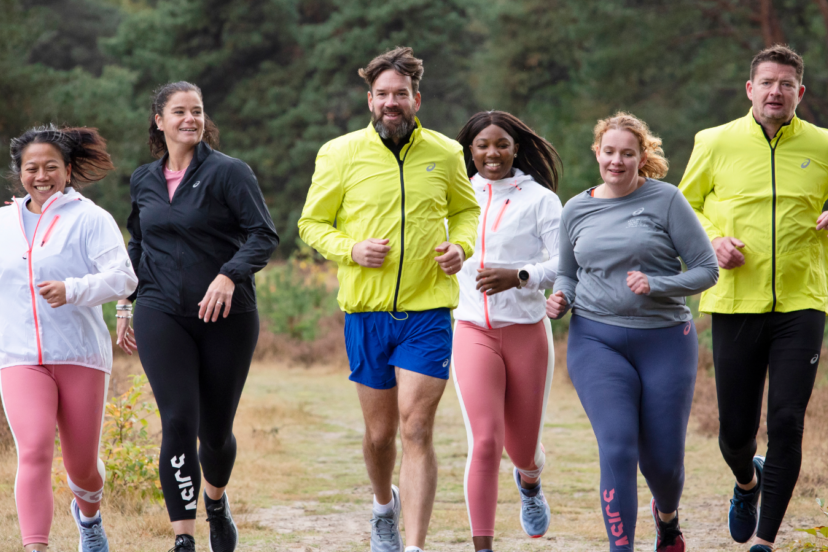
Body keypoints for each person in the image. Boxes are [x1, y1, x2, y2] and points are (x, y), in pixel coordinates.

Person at [678, 45, 828, 552]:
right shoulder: (715, 141)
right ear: (750, 89)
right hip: (734, 302)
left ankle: (764, 542)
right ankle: (747, 482)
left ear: (800, 93)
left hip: (802, 302)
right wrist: (713, 241)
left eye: (786, 84)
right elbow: (683, 207)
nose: (776, 91)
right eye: (767, 82)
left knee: (787, 419)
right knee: (734, 433)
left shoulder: (825, 143)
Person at [298, 47, 480, 552]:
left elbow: (467, 212)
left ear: (416, 98)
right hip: (367, 314)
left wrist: (459, 246)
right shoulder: (339, 153)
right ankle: (384, 506)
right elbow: (311, 224)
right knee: (380, 435)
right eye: (383, 94)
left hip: (428, 312)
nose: (391, 102)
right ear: (370, 100)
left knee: (416, 428)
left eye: (401, 94)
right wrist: (350, 248)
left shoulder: (444, 152)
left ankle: (416, 545)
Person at [118, 81, 279, 552]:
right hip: (160, 310)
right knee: (178, 421)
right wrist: (127, 302)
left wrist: (229, 274)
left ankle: (216, 500)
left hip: (226, 315)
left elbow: (262, 235)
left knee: (214, 431)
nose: (191, 119)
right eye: (180, 111)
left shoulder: (230, 173)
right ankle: (183, 538)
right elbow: (137, 245)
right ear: (159, 120)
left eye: (198, 111)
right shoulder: (143, 179)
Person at [547, 113, 719, 552]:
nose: (617, 161)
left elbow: (707, 270)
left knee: (662, 463)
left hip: (664, 341)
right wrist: (561, 299)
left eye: (627, 153)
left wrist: (657, 284)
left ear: (642, 158)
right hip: (596, 341)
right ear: (597, 153)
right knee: (618, 448)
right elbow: (567, 274)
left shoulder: (666, 200)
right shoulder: (576, 208)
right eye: (609, 152)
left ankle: (667, 519)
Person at [0, 125, 137, 552]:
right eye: (31, 168)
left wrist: (73, 289)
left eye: (51, 167)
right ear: (19, 173)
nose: (41, 176)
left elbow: (123, 278)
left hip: (79, 355)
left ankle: (89, 517)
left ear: (68, 169)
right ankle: (35, 546)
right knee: (35, 450)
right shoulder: (3, 222)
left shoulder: (91, 218)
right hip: (19, 356)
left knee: (82, 469)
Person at [451, 111, 562, 552]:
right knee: (484, 442)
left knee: (521, 449)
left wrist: (519, 276)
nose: (491, 153)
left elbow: (562, 264)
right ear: (470, 150)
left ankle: (530, 481)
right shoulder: (454, 196)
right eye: (482, 145)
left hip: (526, 333)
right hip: (471, 329)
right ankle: (483, 547)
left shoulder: (541, 200)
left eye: (501, 144)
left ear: (516, 148)